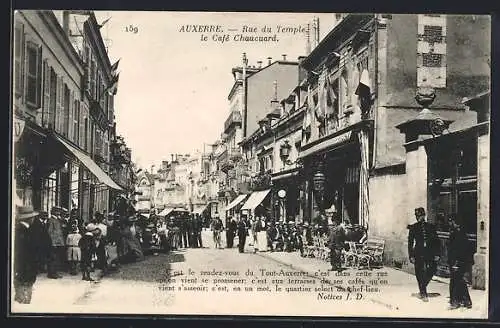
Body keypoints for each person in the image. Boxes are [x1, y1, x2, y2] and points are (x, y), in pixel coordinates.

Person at [408, 207, 440, 302]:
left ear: (424, 215)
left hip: (429, 253)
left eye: (421, 215)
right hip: (418, 252)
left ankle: (422, 286)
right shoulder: (413, 227)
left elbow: (436, 241)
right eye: (417, 216)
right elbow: (410, 243)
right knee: (419, 272)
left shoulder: (430, 227)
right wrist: (411, 255)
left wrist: (437, 254)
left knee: (432, 269)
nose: (419, 217)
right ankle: (423, 292)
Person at [13, 206, 39, 304]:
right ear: (29, 218)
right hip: (26, 268)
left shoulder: (18, 229)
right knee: (25, 295)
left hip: (22, 268)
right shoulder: (24, 231)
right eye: (32, 217)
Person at [447, 215, 473, 309]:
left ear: (455, 222)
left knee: (456, 281)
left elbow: (459, 250)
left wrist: (456, 263)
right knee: (458, 281)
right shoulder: (456, 232)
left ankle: (456, 301)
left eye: (451, 221)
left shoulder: (458, 234)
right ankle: (465, 301)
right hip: (455, 262)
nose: (449, 223)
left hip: (457, 262)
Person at [47, 208, 66, 278]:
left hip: (58, 242)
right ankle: (52, 273)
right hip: (54, 243)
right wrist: (53, 242)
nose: (59, 213)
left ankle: (55, 272)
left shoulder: (57, 220)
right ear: (53, 212)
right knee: (53, 258)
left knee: (56, 258)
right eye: (57, 211)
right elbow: (50, 232)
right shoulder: (51, 220)